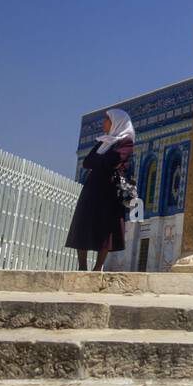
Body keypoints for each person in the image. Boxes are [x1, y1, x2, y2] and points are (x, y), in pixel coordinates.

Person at [65, 108, 134, 271]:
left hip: (109, 191)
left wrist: (101, 161)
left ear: (116, 122)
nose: (104, 123)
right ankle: (82, 267)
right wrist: (102, 161)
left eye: (107, 120)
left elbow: (113, 160)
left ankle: (98, 268)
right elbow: (87, 162)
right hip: (92, 188)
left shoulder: (126, 141)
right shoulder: (104, 141)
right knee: (84, 224)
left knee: (106, 228)